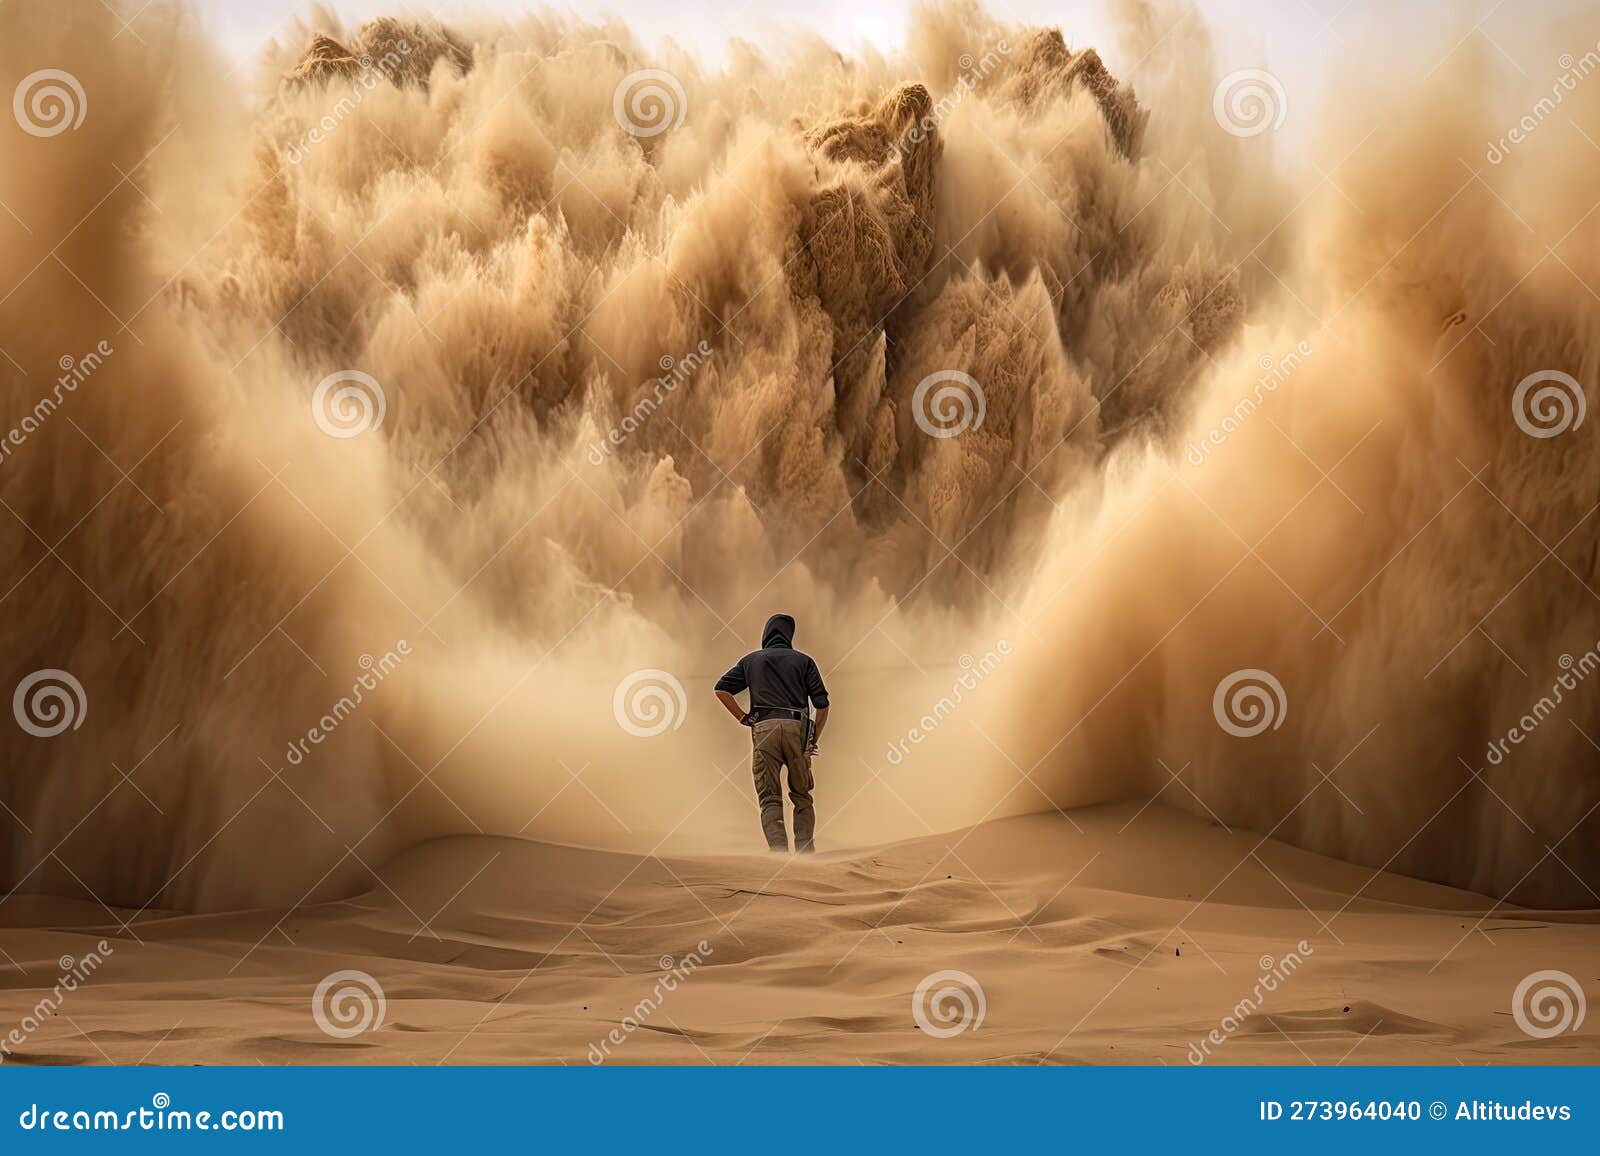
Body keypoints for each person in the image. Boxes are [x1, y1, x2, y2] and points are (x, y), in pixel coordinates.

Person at [713, 613, 830, 852]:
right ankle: (805, 851)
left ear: (766, 634)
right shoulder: (804, 661)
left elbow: (721, 690)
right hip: (796, 728)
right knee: (802, 795)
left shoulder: (751, 661)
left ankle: (778, 853)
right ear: (790, 635)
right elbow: (822, 704)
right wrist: (812, 738)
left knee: (769, 796)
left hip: (764, 728)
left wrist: (742, 716)